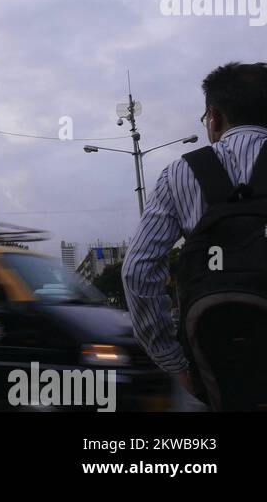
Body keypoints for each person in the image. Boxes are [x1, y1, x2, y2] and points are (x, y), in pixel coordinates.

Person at [123, 62, 267, 409]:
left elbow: (137, 271)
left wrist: (173, 363)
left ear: (214, 117)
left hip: (216, 369)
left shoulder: (180, 172)